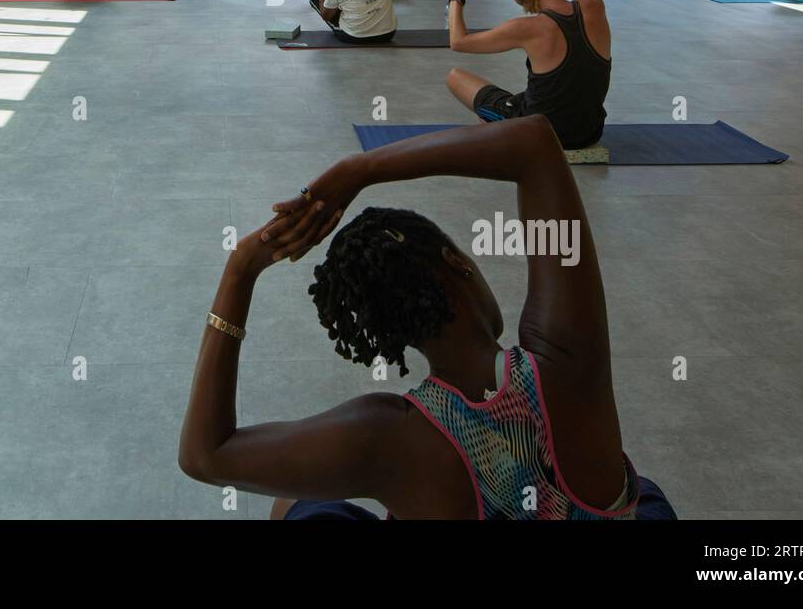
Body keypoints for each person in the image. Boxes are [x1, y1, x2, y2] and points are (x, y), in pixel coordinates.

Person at [178, 116, 676, 520]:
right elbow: (534, 144)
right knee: (643, 493)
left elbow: (207, 455)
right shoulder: (565, 360)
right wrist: (364, 167)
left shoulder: (388, 437)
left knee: (296, 505)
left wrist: (240, 270)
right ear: (457, 262)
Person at [444, 0, 611, 151]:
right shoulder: (593, 4)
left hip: (539, 134)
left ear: (525, 3)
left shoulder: (527, 28)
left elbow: (458, 42)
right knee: (539, 92)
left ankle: (503, 126)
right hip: (589, 133)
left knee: (455, 77)